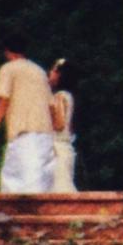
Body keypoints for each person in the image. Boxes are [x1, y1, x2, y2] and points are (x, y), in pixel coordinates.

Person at [0, 39, 57, 198]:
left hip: (22, 134)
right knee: (41, 185)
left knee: (17, 186)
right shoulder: (39, 71)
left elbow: (3, 103)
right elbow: (52, 107)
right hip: (44, 134)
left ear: (7, 52)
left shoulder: (8, 69)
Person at [46, 60, 78, 193]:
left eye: (53, 71)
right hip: (65, 148)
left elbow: (59, 125)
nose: (50, 73)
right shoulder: (69, 96)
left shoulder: (59, 97)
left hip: (57, 150)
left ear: (60, 75)